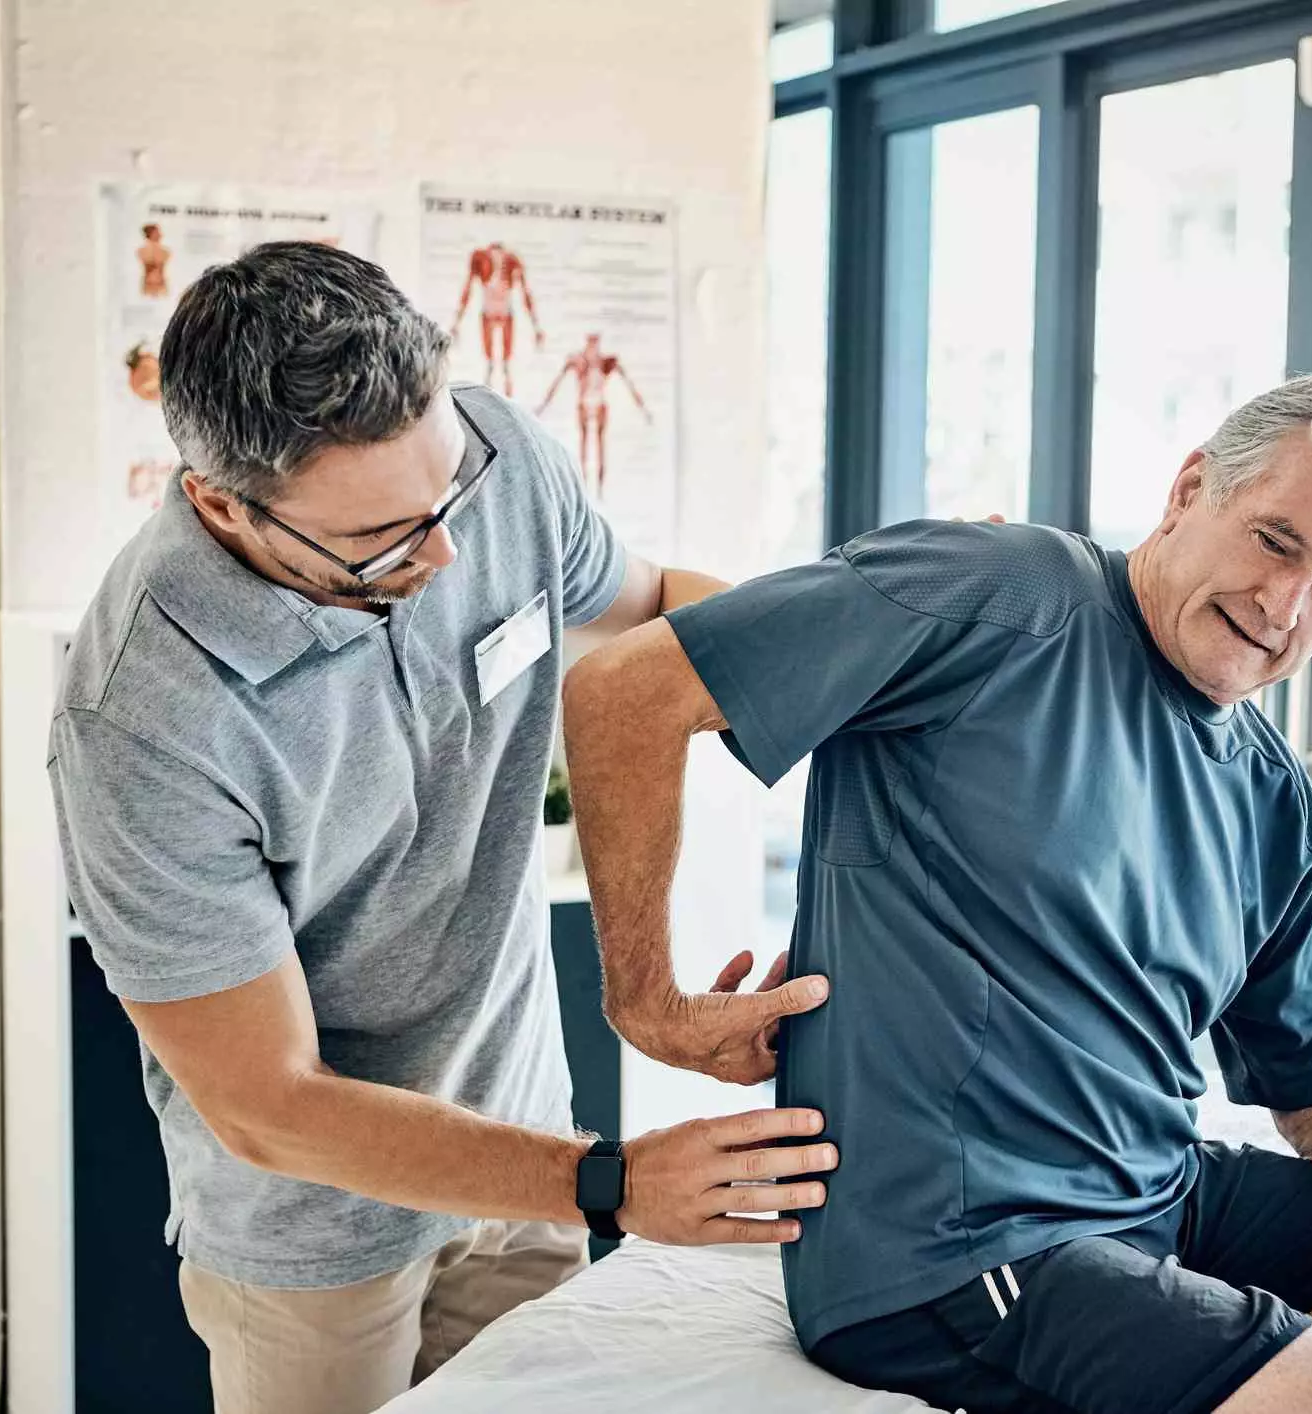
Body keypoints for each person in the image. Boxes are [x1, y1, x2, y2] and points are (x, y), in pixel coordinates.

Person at [563, 374, 1312, 1414]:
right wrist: (647, 1000)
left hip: (1156, 1187)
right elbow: (627, 690)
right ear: (1189, 489)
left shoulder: (1265, 787)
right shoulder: (992, 587)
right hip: (954, 1242)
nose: (1285, 605)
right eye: (1275, 541)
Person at [49, 242, 832, 1414]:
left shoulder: (493, 462)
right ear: (222, 502)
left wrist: (870, 656)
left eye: (448, 492)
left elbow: (660, 611)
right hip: (314, 1231)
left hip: (526, 1147)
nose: (451, 552)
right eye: (382, 540)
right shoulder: (145, 716)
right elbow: (271, 1103)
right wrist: (611, 1182)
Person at [537, 332, 650, 495]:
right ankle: (584, 487)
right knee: (583, 444)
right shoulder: (578, 361)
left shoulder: (607, 362)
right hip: (584, 404)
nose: (592, 346)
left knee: (600, 445)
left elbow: (629, 384)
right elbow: (558, 382)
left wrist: (643, 409)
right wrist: (543, 406)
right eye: (590, 342)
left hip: (599, 405)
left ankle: (599, 489)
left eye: (595, 343)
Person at [450, 240, 544, 396]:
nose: (498, 257)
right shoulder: (481, 259)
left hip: (504, 314)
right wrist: (456, 322)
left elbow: (525, 293)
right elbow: (468, 289)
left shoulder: (513, 261)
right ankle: (490, 399)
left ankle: (507, 402)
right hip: (490, 313)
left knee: (504, 366)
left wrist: (536, 326)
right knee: (491, 365)